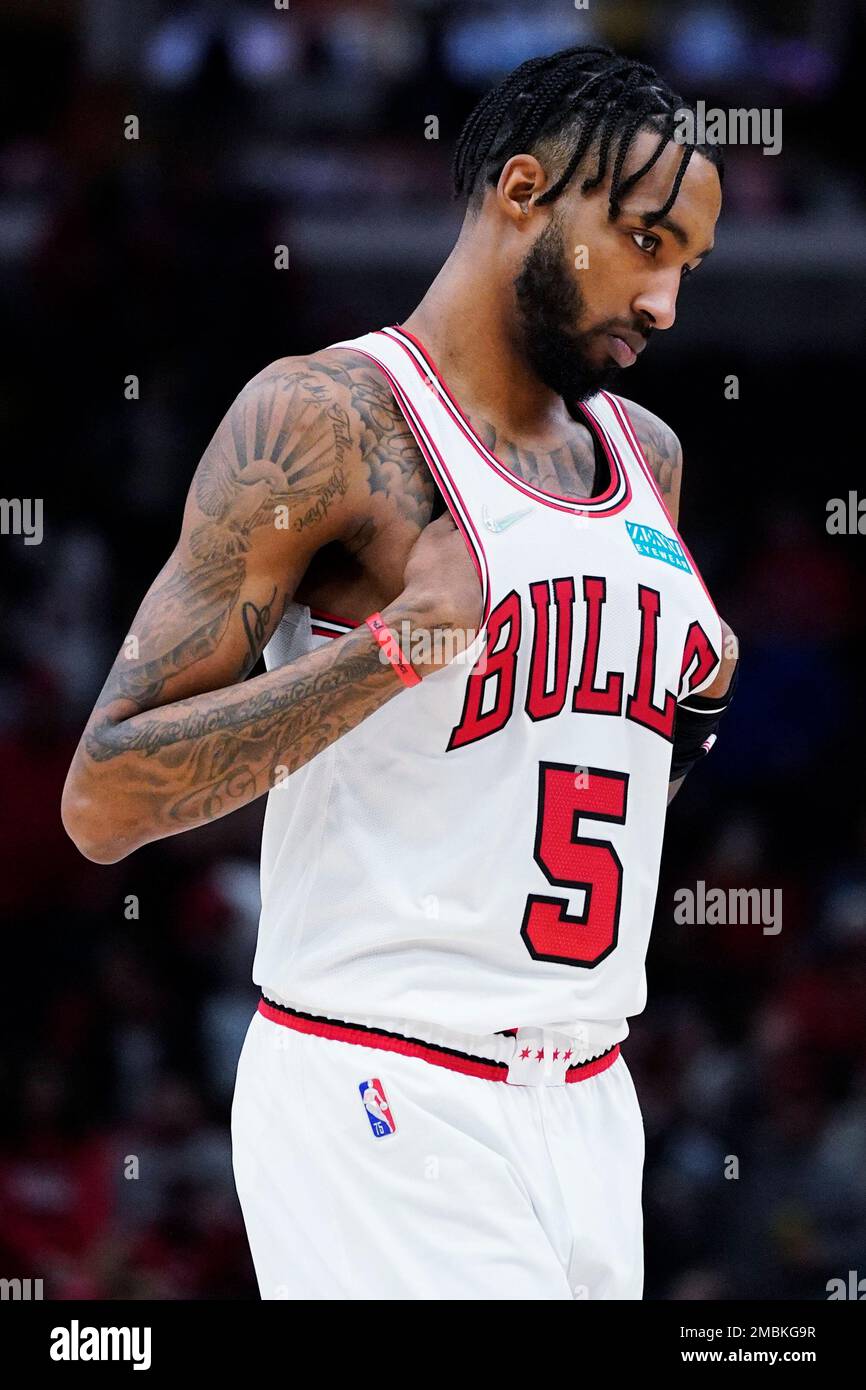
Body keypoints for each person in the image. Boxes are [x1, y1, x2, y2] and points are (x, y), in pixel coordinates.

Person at [63, 43, 739, 1300]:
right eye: (646, 244)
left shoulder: (647, 455)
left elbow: (516, 787)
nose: (664, 303)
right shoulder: (325, 419)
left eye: (686, 266)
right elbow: (104, 799)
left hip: (589, 1102)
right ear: (524, 194)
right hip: (383, 1083)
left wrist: (679, 725)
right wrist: (399, 649)